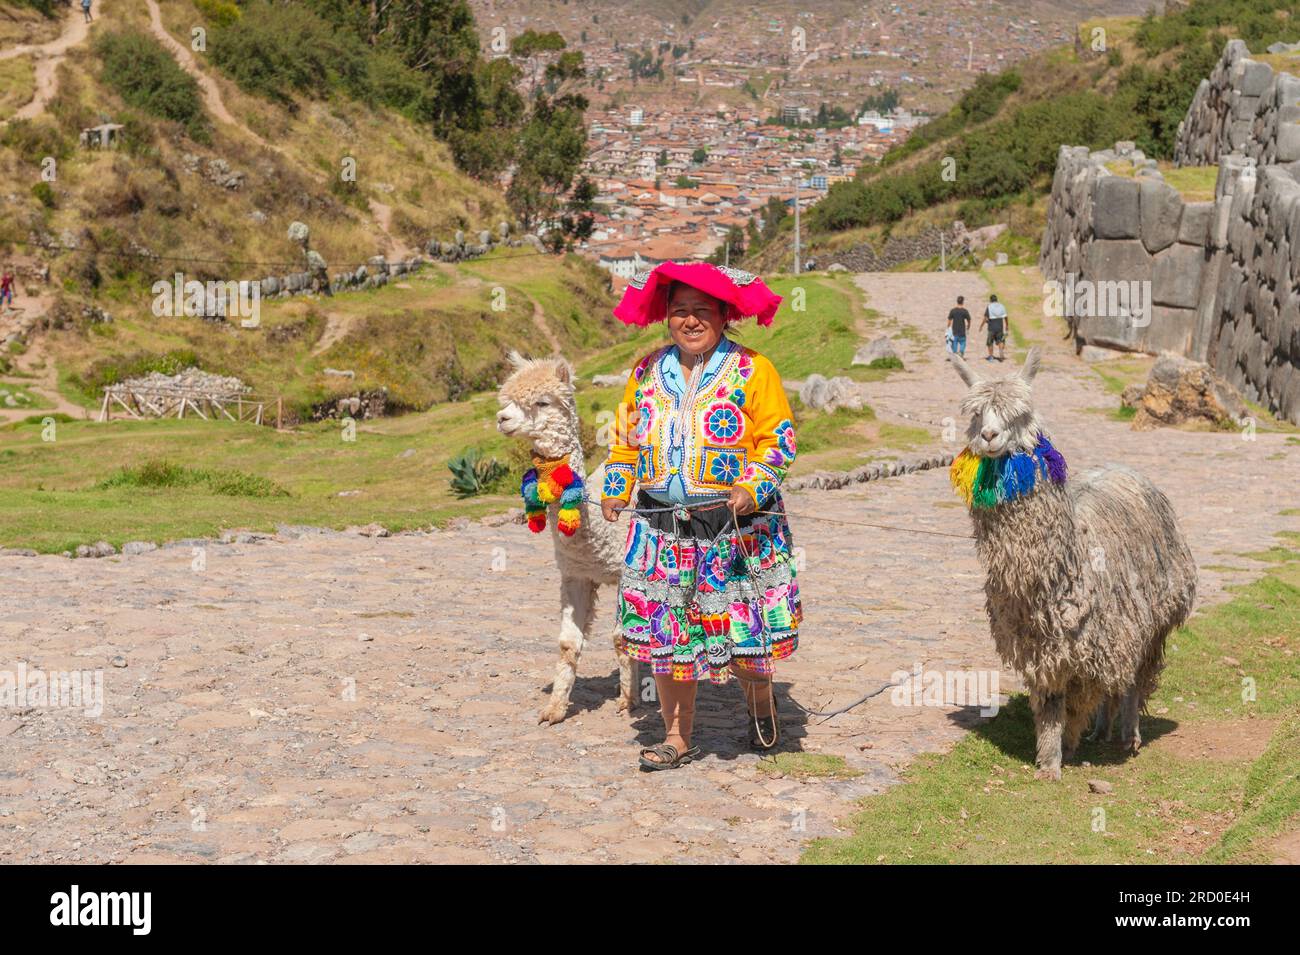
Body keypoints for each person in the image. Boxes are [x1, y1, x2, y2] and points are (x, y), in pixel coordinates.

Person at [601, 261, 802, 771]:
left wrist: (750, 488)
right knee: (669, 632)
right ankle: (677, 736)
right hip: (660, 526)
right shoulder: (646, 372)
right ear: (667, 318)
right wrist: (617, 488)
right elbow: (625, 440)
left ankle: (759, 704)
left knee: (742, 627)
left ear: (723, 316)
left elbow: (778, 441)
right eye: (680, 312)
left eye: (701, 312)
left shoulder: (754, 370)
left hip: (734, 525)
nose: (689, 321)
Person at [979, 293, 1009, 361]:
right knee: (1001, 340)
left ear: (990, 300)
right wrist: (1007, 325)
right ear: (996, 299)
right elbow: (1005, 317)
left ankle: (991, 356)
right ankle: (1001, 350)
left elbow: (986, 318)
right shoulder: (1002, 306)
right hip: (1000, 326)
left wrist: (981, 326)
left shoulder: (989, 307)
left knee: (990, 342)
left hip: (992, 327)